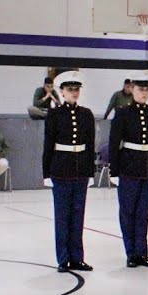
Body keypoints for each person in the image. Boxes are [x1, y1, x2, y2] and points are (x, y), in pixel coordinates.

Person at [43, 71, 95, 273]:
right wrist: (46, 172)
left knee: (78, 215)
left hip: (80, 168)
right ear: (62, 92)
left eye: (76, 89)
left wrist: (90, 172)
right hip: (61, 169)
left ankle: (77, 257)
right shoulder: (55, 115)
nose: (74, 93)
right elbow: (48, 145)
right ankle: (64, 258)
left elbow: (89, 145)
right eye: (70, 89)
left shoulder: (86, 114)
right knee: (62, 216)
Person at [109, 71, 148, 268]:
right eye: (141, 89)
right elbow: (114, 143)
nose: (145, 93)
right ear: (132, 90)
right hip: (129, 167)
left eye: (147, 89)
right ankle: (131, 252)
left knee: (143, 213)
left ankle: (142, 252)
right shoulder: (123, 113)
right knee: (128, 212)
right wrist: (114, 171)